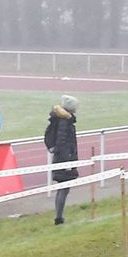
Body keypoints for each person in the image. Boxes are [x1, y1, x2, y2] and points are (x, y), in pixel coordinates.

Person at [44, 95, 79, 225]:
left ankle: (59, 216)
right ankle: (59, 218)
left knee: (62, 188)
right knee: (63, 188)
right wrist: (68, 160)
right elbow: (63, 141)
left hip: (62, 158)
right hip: (64, 159)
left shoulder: (61, 119)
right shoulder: (65, 121)